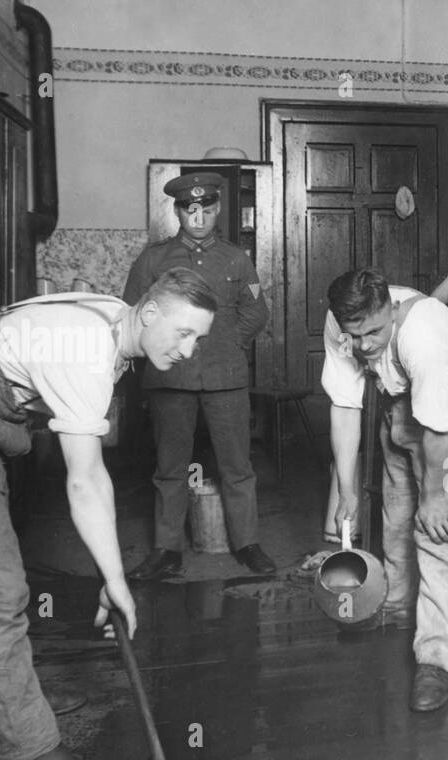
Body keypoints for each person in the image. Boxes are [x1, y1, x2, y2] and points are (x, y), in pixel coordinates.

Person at [0, 269, 217, 760]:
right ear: (150, 313)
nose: (189, 350)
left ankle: (2, 699)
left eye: (198, 338)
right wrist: (116, 582)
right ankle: (26, 751)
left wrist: (110, 575)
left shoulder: (117, 317)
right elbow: (86, 482)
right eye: (184, 333)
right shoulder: (87, 350)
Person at [323, 268, 448, 712]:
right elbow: (345, 406)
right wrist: (347, 490)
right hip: (396, 399)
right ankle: (395, 607)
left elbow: (435, 427)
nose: (364, 345)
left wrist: (434, 496)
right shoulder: (343, 322)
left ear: (391, 309)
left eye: (373, 332)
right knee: (394, 513)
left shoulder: (422, 333)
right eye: (355, 336)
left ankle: (435, 658)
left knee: (437, 529)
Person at [123, 171, 276, 580]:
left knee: (237, 465)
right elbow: (132, 315)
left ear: (217, 210)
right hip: (170, 379)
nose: (199, 217)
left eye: (206, 209)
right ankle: (166, 550)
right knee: (170, 468)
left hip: (225, 378)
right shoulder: (153, 260)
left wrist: (225, 343)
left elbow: (256, 312)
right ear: (177, 211)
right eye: (190, 210)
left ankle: (247, 544)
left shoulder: (236, 259)